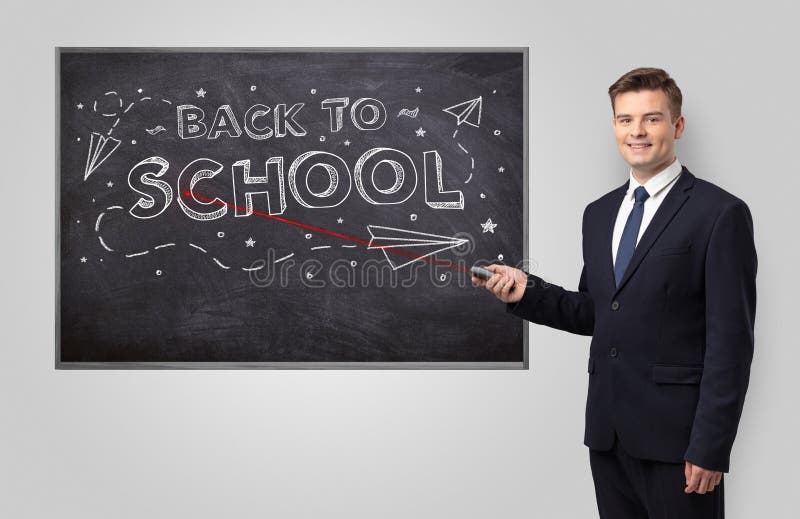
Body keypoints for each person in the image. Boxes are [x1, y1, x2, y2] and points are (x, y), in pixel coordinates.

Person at [474, 67, 756, 518]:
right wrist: (526, 293)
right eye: (625, 120)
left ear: (677, 125)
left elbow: (732, 343)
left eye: (652, 119)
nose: (637, 131)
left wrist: (711, 446)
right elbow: (597, 312)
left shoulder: (719, 214)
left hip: (680, 444)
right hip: (608, 435)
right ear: (614, 127)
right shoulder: (599, 213)